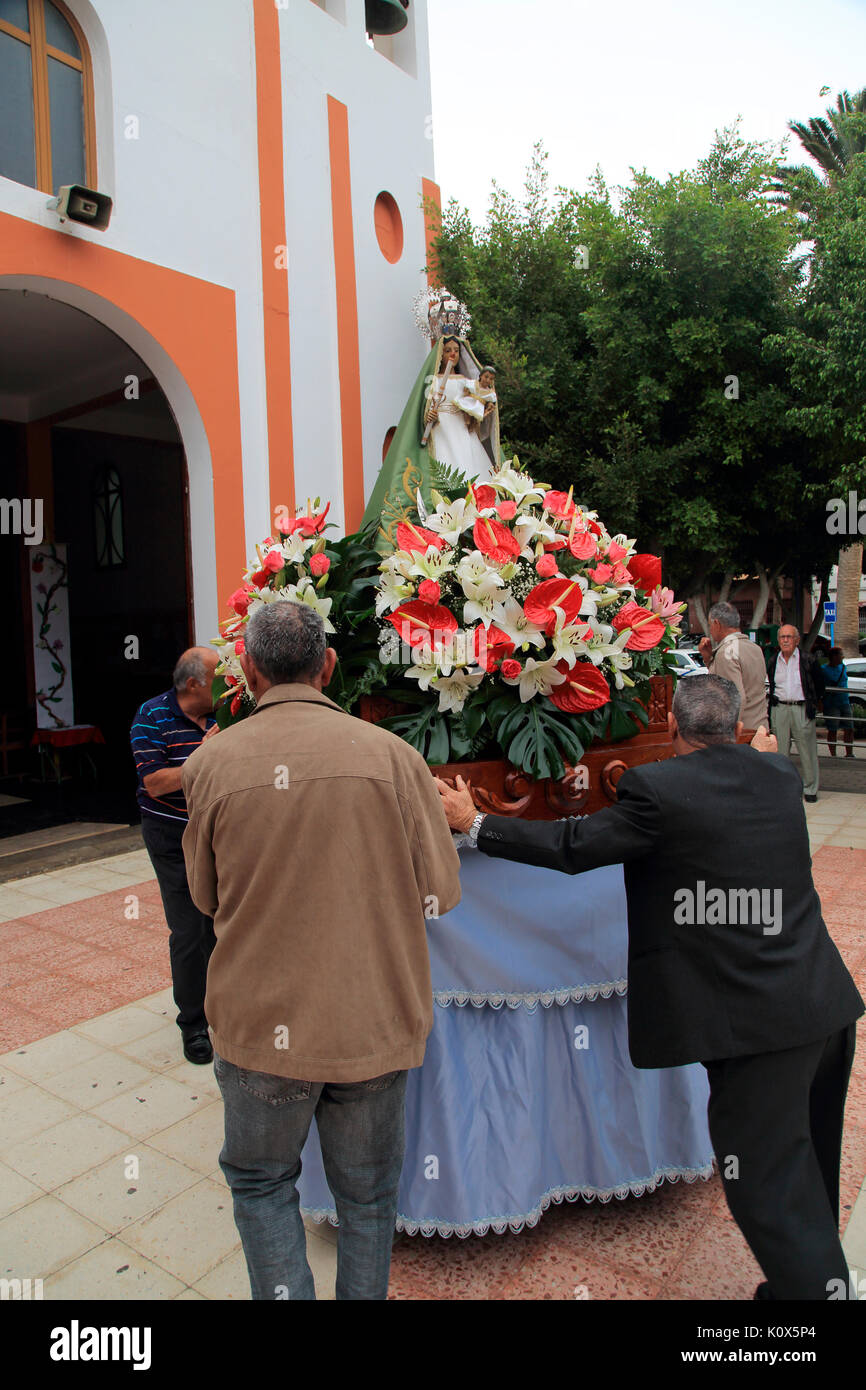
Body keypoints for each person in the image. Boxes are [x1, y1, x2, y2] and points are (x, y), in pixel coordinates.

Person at [435, 676, 864, 1301]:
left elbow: (574, 846)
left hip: (760, 1029)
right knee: (810, 1160)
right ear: (732, 726)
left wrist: (475, 821)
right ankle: (817, 1281)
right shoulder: (778, 776)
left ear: (671, 731)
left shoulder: (658, 789)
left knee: (766, 1184)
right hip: (825, 1006)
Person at [181, 601, 461, 1300]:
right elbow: (442, 893)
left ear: (245, 672)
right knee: (367, 1199)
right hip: (372, 1020)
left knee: (261, 1182)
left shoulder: (211, 763)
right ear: (328, 666)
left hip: (259, 1027)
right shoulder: (394, 758)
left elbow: (205, 898)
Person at [130, 648, 219, 1064]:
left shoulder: (227, 715)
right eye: (219, 675)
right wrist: (205, 757)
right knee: (189, 929)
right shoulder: (151, 716)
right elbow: (155, 782)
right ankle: (194, 1024)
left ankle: (228, 1008)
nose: (229, 681)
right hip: (171, 833)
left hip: (217, 828)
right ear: (193, 684)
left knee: (224, 922)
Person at [766, 624, 825, 802]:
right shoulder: (773, 660)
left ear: (797, 640)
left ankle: (810, 789)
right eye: (782, 637)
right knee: (781, 752)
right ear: (778, 640)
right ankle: (783, 788)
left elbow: (819, 685)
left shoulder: (808, 659)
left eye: (789, 637)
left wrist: (813, 704)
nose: (785, 640)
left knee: (807, 751)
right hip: (780, 709)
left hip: (801, 709)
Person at [698, 601, 767, 731]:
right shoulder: (755, 648)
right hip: (760, 728)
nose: (710, 631)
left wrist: (727, 736)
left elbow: (735, 698)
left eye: (710, 625)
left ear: (716, 624)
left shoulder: (726, 652)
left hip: (741, 734)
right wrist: (709, 660)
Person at [822, 647, 855, 759]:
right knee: (833, 729)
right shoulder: (824, 670)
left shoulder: (843, 667)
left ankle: (849, 753)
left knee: (849, 727)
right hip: (831, 704)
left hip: (844, 702)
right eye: (841, 655)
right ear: (834, 657)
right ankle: (833, 755)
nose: (843, 657)